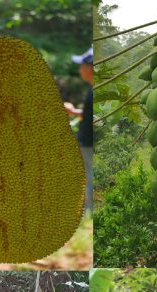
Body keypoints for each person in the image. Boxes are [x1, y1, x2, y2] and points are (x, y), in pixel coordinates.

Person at [65, 47, 94, 215]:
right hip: (85, 141)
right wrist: (74, 111)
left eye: (81, 65)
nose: (79, 69)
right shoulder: (91, 89)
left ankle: (89, 213)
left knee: (89, 177)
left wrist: (72, 111)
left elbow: (91, 118)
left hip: (89, 142)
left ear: (89, 67)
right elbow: (88, 115)